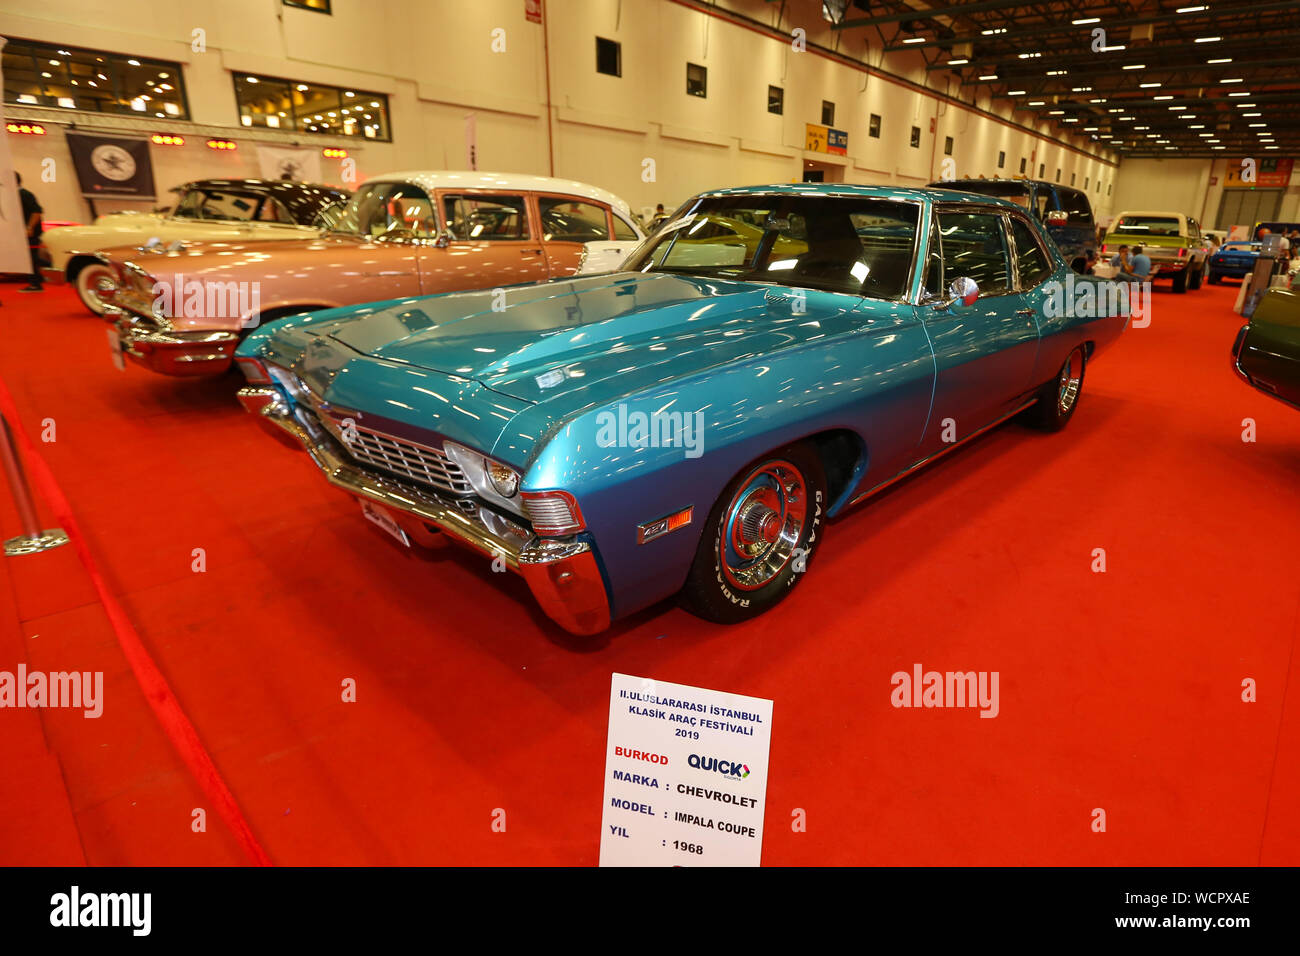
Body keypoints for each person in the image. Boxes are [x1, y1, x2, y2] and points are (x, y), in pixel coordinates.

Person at [17, 172, 44, 292]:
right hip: (22, 233)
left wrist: (30, 228)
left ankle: (36, 284)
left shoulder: (24, 194)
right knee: (29, 258)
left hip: (30, 233)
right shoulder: (15, 195)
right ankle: (37, 280)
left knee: (32, 258)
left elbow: (36, 212)